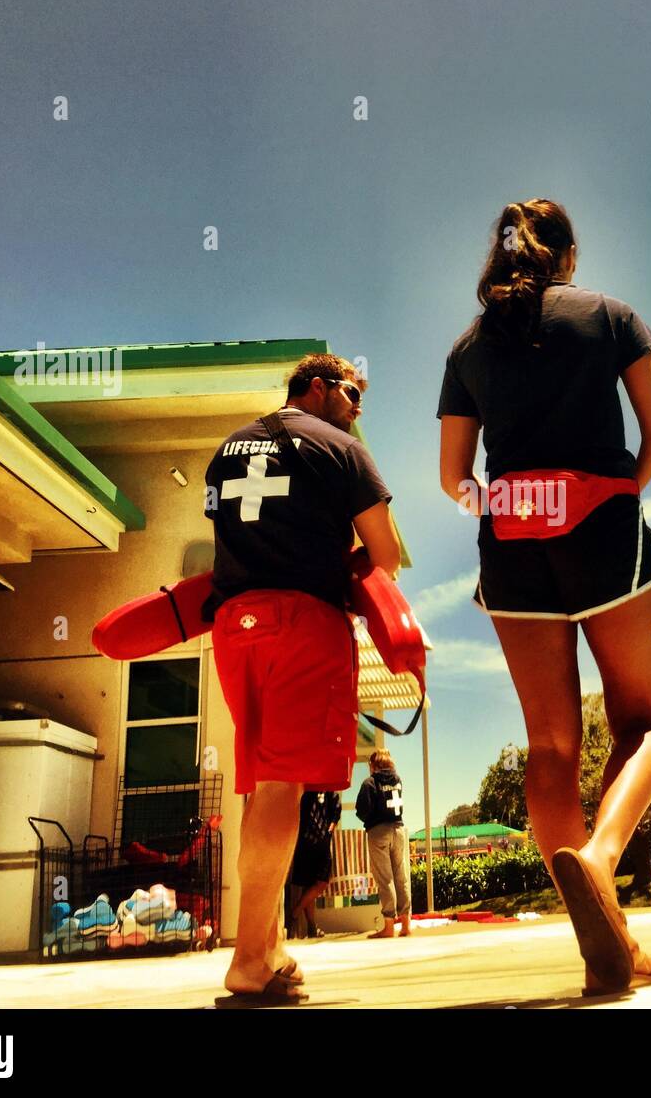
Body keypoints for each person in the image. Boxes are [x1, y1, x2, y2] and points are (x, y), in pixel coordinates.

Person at [437, 199, 651, 994]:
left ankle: (605, 943)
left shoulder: (467, 348)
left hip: (509, 547)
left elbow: (452, 479)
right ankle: (601, 865)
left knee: (548, 748)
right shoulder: (611, 316)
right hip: (605, 527)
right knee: (643, 723)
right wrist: (612, 500)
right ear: (566, 255)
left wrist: (510, 508)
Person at [207, 353, 400, 1004]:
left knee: (260, 791)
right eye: (351, 394)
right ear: (316, 388)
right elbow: (387, 554)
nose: (357, 409)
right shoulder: (341, 450)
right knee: (283, 789)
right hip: (300, 622)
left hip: (235, 627)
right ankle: (247, 961)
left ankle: (265, 949)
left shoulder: (228, 448)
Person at [356, 749, 411, 939]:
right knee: (400, 877)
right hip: (398, 830)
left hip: (379, 833)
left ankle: (388, 927)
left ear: (374, 764)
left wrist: (369, 818)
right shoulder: (397, 781)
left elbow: (362, 809)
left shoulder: (370, 782)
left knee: (385, 879)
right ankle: (405, 925)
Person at [285, 790, 341, 939]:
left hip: (322, 845)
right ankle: (311, 927)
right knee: (308, 884)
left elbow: (335, 816)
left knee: (322, 882)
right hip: (305, 844)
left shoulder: (332, 794)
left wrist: (327, 833)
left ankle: (294, 913)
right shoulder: (306, 792)